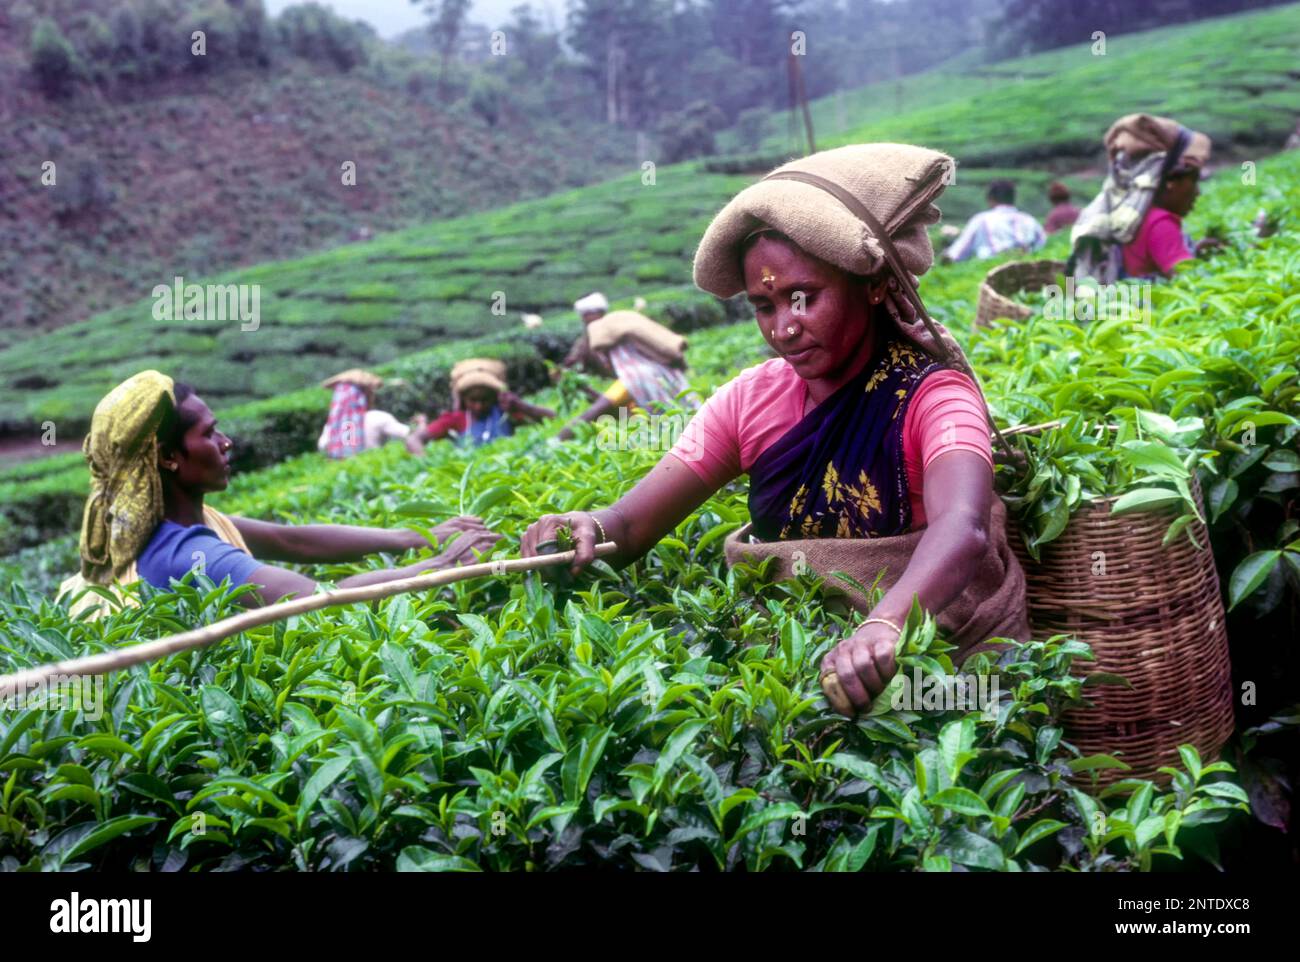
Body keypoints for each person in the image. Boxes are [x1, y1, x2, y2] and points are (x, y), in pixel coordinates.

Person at [523, 143, 1029, 718]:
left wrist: (885, 624)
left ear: (874, 285)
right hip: (795, 675)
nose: (784, 328)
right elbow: (631, 526)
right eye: (764, 306)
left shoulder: (934, 397)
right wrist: (581, 528)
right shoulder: (750, 401)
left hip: (936, 668)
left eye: (802, 298)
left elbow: (962, 528)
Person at [56, 371, 499, 618]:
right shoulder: (184, 552)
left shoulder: (182, 523)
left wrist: (415, 538)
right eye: (209, 434)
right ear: (170, 456)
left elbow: (293, 540)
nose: (226, 443)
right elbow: (317, 599)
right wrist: (441, 566)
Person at [1069, 113, 1217, 283]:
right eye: (1193, 180)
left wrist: (1195, 251)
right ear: (1171, 181)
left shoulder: (1129, 219)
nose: (1197, 192)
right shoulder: (1160, 223)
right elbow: (1191, 283)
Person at [556, 294, 699, 440]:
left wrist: (557, 439)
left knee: (607, 414)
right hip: (647, 387)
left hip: (635, 386)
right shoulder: (659, 370)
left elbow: (595, 410)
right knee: (624, 415)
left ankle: (555, 441)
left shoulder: (634, 374)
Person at [406, 358, 554, 452]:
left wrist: (523, 406)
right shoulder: (455, 419)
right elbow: (414, 439)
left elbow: (554, 419)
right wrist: (425, 464)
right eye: (473, 400)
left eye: (485, 400)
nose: (479, 406)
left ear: (494, 397)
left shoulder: (506, 414)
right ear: (464, 399)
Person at [940, 180, 1046, 263]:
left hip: (989, 272)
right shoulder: (1030, 220)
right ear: (1013, 198)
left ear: (990, 199)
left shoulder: (981, 220)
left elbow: (956, 254)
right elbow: (1042, 245)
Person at [316, 369, 413, 458]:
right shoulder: (377, 417)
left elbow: (323, 446)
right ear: (366, 395)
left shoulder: (333, 427)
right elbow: (407, 434)